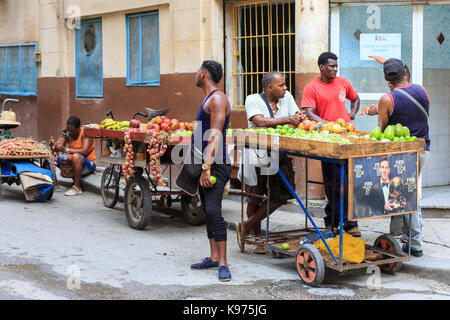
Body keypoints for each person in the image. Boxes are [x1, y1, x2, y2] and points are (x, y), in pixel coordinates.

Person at [362, 57, 431, 257]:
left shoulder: (387, 98)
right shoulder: (422, 90)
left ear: (386, 79)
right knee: (407, 193)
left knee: (408, 196)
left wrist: (379, 110)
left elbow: (382, 130)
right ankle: (409, 238)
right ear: (406, 73)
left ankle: (414, 241)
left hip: (402, 156)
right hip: (423, 150)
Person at [237, 72, 301, 254]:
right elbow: (259, 121)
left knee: (282, 194)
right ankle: (257, 240)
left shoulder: (286, 98)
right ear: (270, 87)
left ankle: (247, 225)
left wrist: (297, 119)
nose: (286, 88)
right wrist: (288, 120)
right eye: (282, 85)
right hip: (255, 153)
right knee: (254, 195)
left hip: (278, 152)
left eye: (285, 85)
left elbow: (296, 117)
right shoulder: (252, 99)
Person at [301, 52, 361, 237]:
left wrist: (352, 114)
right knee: (334, 184)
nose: (335, 69)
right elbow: (309, 112)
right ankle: (333, 221)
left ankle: (350, 223)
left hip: (348, 138)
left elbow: (356, 98)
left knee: (351, 183)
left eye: (336, 66)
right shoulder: (311, 87)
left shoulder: (343, 82)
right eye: (331, 66)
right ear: (321, 67)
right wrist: (329, 125)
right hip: (328, 141)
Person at [189, 60, 233, 282]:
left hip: (216, 163)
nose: (195, 75)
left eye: (197, 71)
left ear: (203, 73)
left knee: (214, 210)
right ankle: (214, 257)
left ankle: (223, 263)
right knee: (207, 208)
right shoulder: (209, 99)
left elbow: (215, 135)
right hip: (207, 162)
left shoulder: (217, 99)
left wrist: (206, 167)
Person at [50, 116, 96, 196]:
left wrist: (65, 150)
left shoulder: (86, 132)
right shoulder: (66, 132)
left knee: (76, 156)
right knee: (50, 157)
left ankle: (77, 187)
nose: (69, 132)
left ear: (78, 128)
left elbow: (84, 151)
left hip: (88, 164)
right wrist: (54, 146)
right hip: (73, 160)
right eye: (68, 130)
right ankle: (55, 185)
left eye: (72, 130)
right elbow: (58, 148)